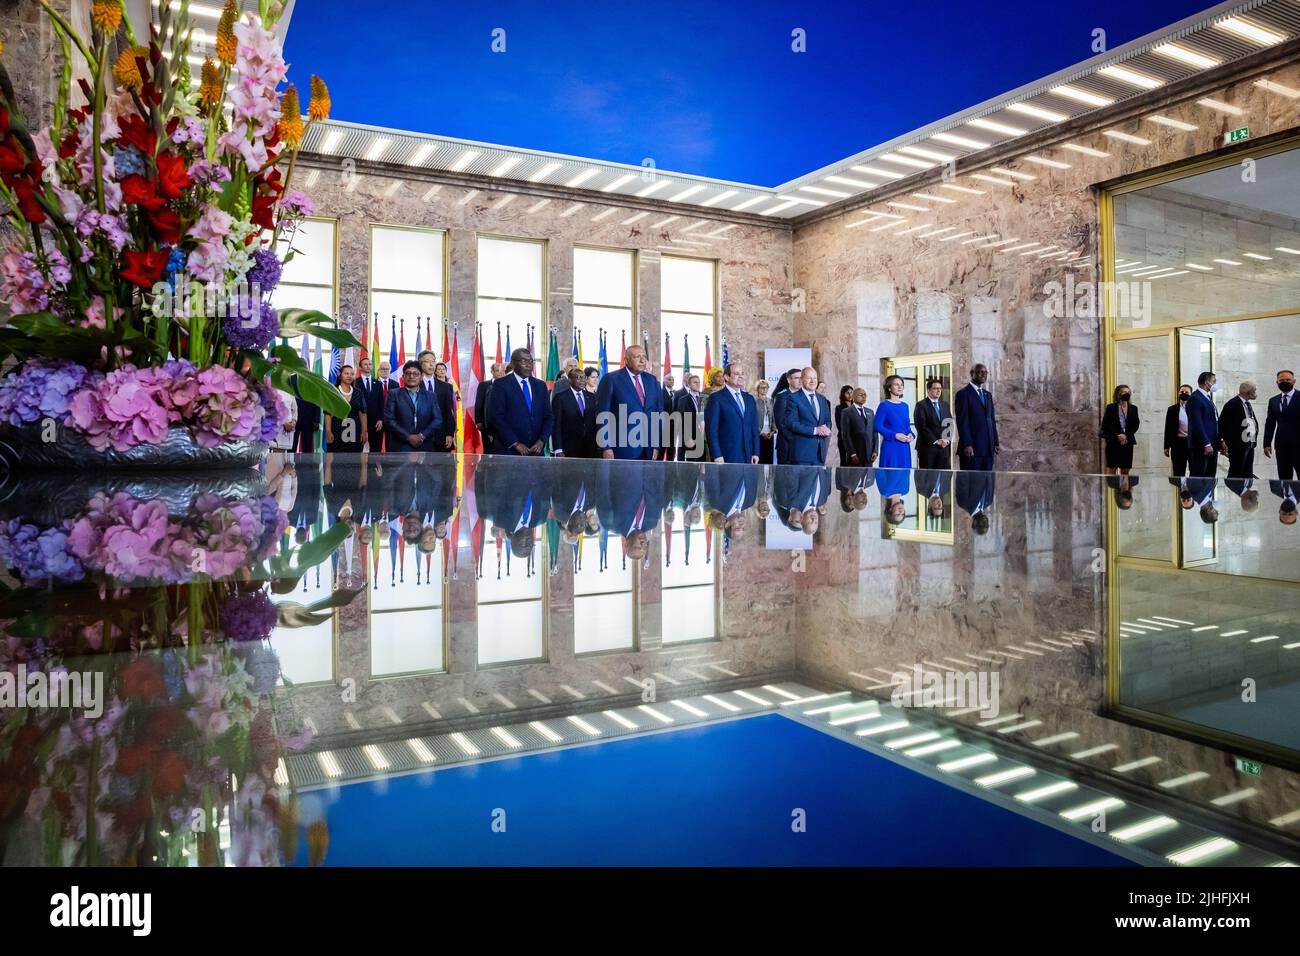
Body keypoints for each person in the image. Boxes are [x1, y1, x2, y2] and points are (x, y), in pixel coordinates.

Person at [594, 344, 663, 460]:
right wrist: (606, 447)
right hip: (621, 449)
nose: (642, 360)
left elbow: (658, 414)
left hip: (649, 450)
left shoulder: (652, 381)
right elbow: (602, 414)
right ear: (626, 360)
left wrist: (656, 445)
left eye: (644, 357)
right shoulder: (611, 379)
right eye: (637, 357)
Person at [487, 348, 552, 456]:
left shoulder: (540, 385)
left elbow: (548, 416)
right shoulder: (500, 385)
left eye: (531, 361)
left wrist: (542, 440)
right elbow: (496, 417)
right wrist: (515, 443)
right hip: (509, 451)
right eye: (524, 361)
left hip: (536, 451)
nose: (529, 364)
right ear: (513, 364)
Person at [704, 363, 761, 464]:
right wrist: (717, 455)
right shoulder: (716, 398)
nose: (741, 376)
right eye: (736, 373)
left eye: (742, 373)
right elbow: (711, 430)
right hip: (726, 456)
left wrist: (756, 452)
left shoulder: (749, 399)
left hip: (749, 456)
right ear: (726, 377)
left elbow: (754, 428)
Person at [778, 366, 833, 465]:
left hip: (820, 454)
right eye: (809, 378)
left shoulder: (822, 400)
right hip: (802, 454)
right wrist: (816, 430)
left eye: (815, 378)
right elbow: (792, 424)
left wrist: (826, 429)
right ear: (802, 379)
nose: (812, 381)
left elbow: (828, 421)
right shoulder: (793, 398)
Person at [384, 360, 442, 450]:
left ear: (421, 376)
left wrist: (422, 436)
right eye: (408, 373)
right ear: (403, 376)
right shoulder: (393, 394)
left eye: (415, 374)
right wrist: (408, 437)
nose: (411, 376)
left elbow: (437, 420)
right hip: (400, 446)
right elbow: (389, 420)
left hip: (425, 445)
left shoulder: (431, 396)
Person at [954, 363, 999, 470]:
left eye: (985, 372)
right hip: (972, 449)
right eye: (980, 372)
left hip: (988, 448)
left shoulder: (987, 395)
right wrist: (967, 444)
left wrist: (995, 442)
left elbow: (991, 420)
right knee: (972, 484)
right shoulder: (963, 394)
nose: (983, 375)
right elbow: (962, 422)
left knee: (987, 483)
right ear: (972, 373)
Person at [552, 366, 596, 458]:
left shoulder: (592, 397)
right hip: (568, 448)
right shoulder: (560, 398)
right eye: (578, 377)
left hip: (590, 448)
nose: (582, 380)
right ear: (569, 380)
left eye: (583, 377)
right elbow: (556, 425)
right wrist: (558, 449)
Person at [418, 350, 457, 453]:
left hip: (442, 436)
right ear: (421, 364)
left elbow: (449, 412)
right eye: (427, 361)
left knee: (443, 468)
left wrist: (449, 433)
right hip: (421, 437)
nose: (431, 364)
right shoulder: (415, 385)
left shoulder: (446, 387)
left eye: (433, 361)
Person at [1219, 381, 1259, 479]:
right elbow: (1223, 425)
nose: (1255, 392)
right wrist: (1226, 443)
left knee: (1248, 472)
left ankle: (1247, 492)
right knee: (1236, 472)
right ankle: (1234, 492)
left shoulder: (1247, 404)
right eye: (1254, 390)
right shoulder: (1232, 404)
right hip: (1238, 446)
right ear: (1247, 391)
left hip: (1250, 443)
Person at [324, 364, 368, 452]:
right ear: (340, 376)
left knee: (354, 460)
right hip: (336, 431)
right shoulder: (332, 391)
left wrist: (364, 431)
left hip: (355, 432)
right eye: (346, 373)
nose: (349, 376)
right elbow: (328, 413)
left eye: (352, 374)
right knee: (336, 459)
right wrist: (328, 431)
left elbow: (362, 413)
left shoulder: (358, 393)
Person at [875, 374, 914, 470]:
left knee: (904, 480)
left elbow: (906, 427)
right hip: (891, 446)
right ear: (889, 388)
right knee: (891, 480)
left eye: (901, 384)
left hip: (904, 448)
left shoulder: (905, 406)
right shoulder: (884, 405)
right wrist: (895, 435)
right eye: (896, 384)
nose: (900, 387)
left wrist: (911, 434)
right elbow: (877, 425)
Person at [1264, 370, 1299, 480]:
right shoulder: (1273, 401)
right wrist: (1267, 443)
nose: (1285, 382)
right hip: (1281, 445)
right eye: (1282, 380)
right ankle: (1287, 497)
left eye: (1288, 380)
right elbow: (1270, 423)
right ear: (1277, 382)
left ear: (1294, 381)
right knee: (1284, 479)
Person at [1187, 371, 1223, 478]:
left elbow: (1215, 421)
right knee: (1199, 479)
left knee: (1210, 477)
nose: (1215, 384)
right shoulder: (1195, 398)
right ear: (1207, 382)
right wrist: (1206, 444)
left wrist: (1220, 440)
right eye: (1214, 381)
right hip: (1201, 447)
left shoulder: (1207, 397)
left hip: (1213, 445)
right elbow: (1197, 424)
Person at [1101, 383, 1139, 475]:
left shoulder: (1134, 408)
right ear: (1118, 394)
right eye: (1124, 392)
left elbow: (1136, 424)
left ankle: (1124, 489)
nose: (1126, 394)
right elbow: (1106, 424)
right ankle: (1112, 489)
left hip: (1127, 442)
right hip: (1113, 441)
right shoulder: (1111, 407)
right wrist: (1118, 435)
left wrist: (1125, 436)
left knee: (1125, 470)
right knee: (1112, 469)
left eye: (1128, 392)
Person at [914, 378, 952, 469]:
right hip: (928, 448)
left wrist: (946, 440)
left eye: (940, 388)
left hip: (944, 448)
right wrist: (936, 441)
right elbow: (921, 426)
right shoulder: (921, 405)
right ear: (928, 390)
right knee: (927, 480)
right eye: (935, 388)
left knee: (944, 478)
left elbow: (949, 423)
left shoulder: (945, 404)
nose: (938, 390)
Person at [357, 358, 390, 452]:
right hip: (360, 421)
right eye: (365, 364)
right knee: (358, 449)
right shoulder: (356, 382)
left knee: (375, 450)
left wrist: (381, 419)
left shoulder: (378, 383)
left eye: (370, 364)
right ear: (360, 367)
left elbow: (381, 403)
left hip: (376, 423)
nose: (368, 366)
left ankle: (374, 467)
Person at [475, 361, 507, 453]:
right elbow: (479, 403)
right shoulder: (484, 385)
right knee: (488, 449)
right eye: (497, 370)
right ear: (492, 372)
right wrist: (479, 421)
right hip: (485, 423)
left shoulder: (506, 385)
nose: (500, 373)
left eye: (502, 371)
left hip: (502, 424)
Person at [841, 387, 877, 466]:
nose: (863, 397)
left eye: (865, 395)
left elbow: (874, 433)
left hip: (869, 456)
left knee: (869, 478)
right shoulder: (847, 412)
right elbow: (846, 435)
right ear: (853, 397)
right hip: (855, 456)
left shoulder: (870, 412)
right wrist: (852, 454)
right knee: (853, 478)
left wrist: (875, 451)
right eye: (860, 395)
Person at [772, 368, 802, 464]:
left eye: (801, 377)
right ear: (789, 380)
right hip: (787, 445)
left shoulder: (804, 395)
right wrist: (796, 440)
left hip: (804, 446)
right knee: (786, 477)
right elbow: (780, 423)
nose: (800, 380)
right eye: (797, 378)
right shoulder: (782, 396)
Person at [1163, 384, 1193, 477]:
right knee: (1178, 472)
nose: (1184, 393)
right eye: (1182, 392)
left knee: (1194, 471)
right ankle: (1180, 490)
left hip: (1192, 443)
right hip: (1178, 444)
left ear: (1191, 394)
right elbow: (1168, 428)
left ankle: (1192, 490)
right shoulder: (1172, 409)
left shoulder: (1195, 408)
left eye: (1186, 392)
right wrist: (1166, 446)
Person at [674, 373, 705, 462]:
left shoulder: (704, 398)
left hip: (703, 434)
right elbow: (682, 421)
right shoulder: (683, 400)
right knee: (690, 461)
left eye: (699, 382)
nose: (698, 384)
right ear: (689, 384)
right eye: (695, 382)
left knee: (702, 461)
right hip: (690, 435)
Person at [290, 374, 321, 453]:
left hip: (309, 418)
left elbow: (316, 400)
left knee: (307, 447)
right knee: (291, 446)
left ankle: (306, 464)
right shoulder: (290, 378)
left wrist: (317, 420)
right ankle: (289, 464)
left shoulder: (312, 378)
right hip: (293, 418)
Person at [754, 379, 775, 464]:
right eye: (762, 388)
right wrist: (760, 432)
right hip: (758, 434)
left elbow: (773, 417)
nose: (764, 390)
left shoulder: (770, 401)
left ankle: (769, 476)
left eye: (766, 388)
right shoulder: (754, 401)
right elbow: (753, 419)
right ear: (757, 389)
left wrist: (773, 431)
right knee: (760, 458)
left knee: (769, 459)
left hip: (769, 434)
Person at [834, 385, 853, 464]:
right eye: (847, 393)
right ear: (843, 394)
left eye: (851, 392)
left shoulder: (856, 407)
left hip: (856, 440)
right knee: (844, 461)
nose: (850, 395)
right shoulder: (839, 408)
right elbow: (839, 425)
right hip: (843, 438)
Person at [660, 373, 678, 461]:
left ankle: (670, 471)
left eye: (673, 379)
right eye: (669, 379)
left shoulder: (676, 393)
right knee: (661, 450)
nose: (671, 381)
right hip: (663, 426)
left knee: (672, 450)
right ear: (664, 381)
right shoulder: (660, 392)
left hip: (674, 427)